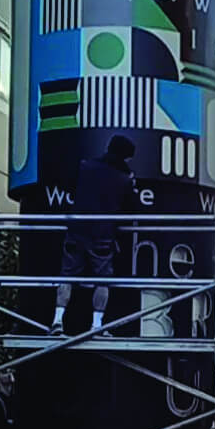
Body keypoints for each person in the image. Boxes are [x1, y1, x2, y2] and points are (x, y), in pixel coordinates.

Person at [52, 135, 139, 335]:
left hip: (76, 229)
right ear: (126, 157)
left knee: (67, 275)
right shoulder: (124, 179)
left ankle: (57, 321)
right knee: (102, 280)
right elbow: (132, 208)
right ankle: (97, 325)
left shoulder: (85, 166)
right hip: (102, 234)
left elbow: (69, 187)